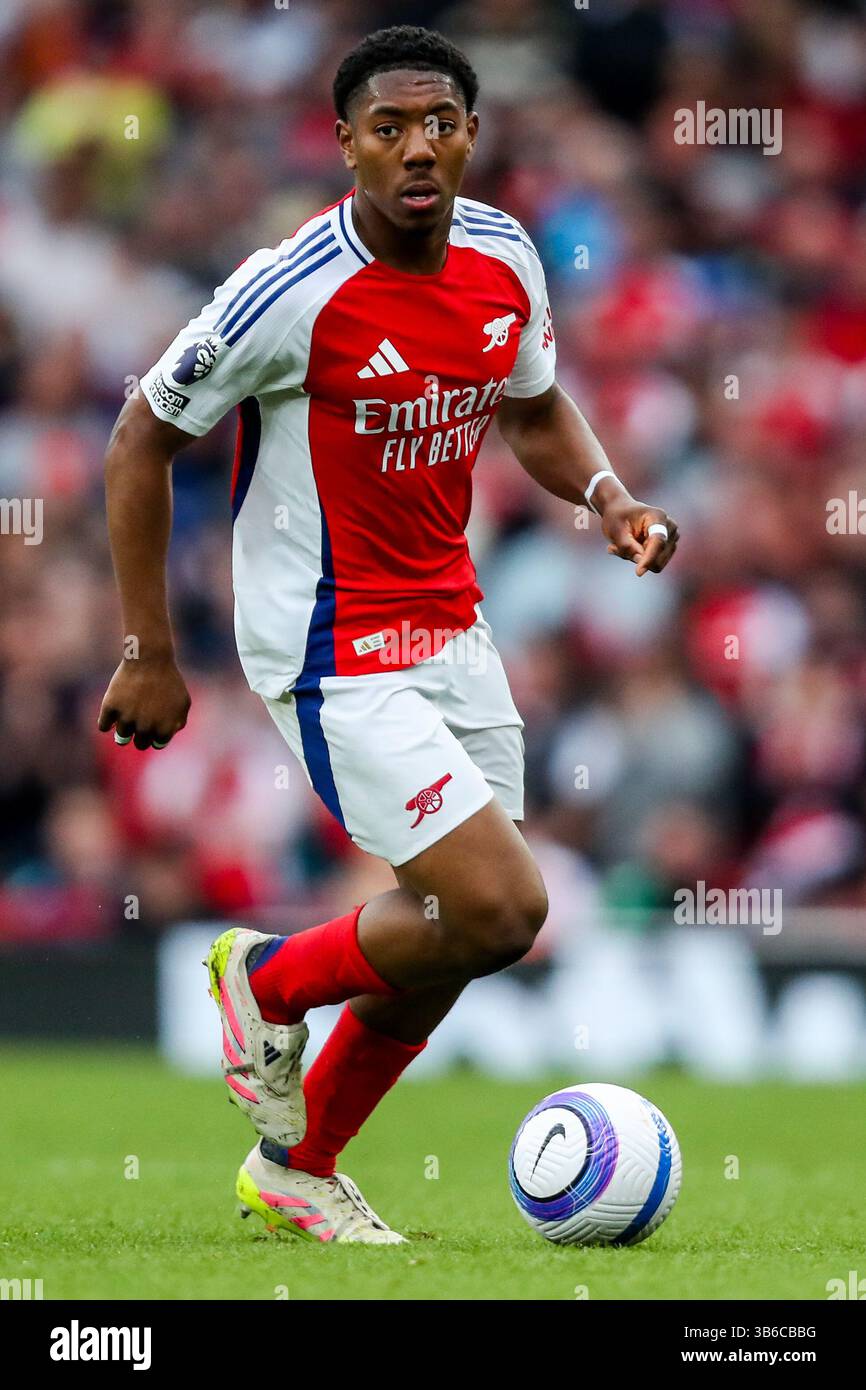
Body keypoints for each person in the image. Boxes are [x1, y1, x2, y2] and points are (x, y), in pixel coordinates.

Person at [98, 25, 678, 1245]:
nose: (419, 147)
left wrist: (608, 497)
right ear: (347, 144)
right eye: (390, 127)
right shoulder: (286, 287)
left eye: (441, 124)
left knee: (462, 936)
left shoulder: (505, 254)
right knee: (500, 909)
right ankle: (261, 980)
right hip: (326, 642)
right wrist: (149, 647)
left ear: (471, 134)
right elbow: (139, 436)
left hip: (451, 626)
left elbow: (530, 409)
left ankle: (296, 1166)